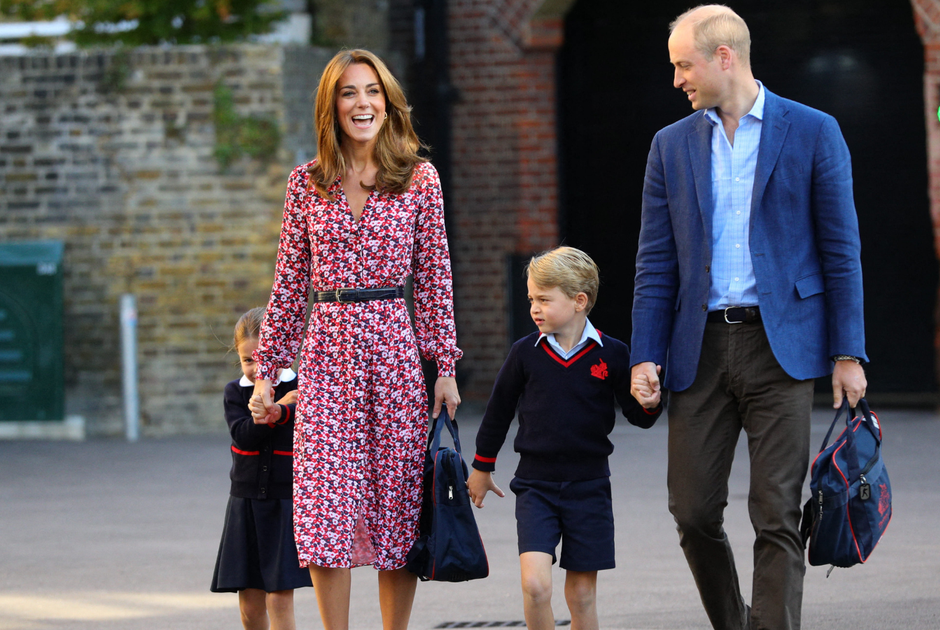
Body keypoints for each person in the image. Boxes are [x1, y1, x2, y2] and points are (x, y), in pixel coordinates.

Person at [628, 6, 869, 630]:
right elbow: (656, 264)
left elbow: (841, 251)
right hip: (697, 349)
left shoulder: (814, 131)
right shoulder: (670, 146)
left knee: (776, 512)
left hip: (779, 346)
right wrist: (644, 356)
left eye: (685, 64)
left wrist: (849, 351)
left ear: (724, 57)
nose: (678, 78)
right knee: (693, 512)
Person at [249, 49, 463, 630]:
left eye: (372, 92)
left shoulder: (419, 177)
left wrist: (443, 364)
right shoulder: (306, 183)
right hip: (327, 356)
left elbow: (436, 276)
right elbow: (290, 285)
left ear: (388, 102)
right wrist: (267, 370)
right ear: (331, 106)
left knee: (397, 511)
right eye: (349, 93)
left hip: (395, 351)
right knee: (323, 511)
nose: (362, 103)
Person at [467, 247, 662, 630]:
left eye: (543, 299)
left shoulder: (615, 354)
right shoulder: (524, 354)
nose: (534, 309)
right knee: (536, 585)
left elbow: (639, 417)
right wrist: (481, 467)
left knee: (582, 596)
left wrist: (651, 401)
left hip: (589, 487)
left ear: (579, 301)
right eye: (530, 300)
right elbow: (498, 412)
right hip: (535, 487)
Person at [211, 307, 312, 630]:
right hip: (246, 504)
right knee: (250, 604)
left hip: (285, 505)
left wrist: (280, 407)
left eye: (262, 358)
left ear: (283, 352)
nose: (256, 368)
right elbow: (243, 436)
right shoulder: (235, 393)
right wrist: (278, 409)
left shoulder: (303, 389)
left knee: (280, 598)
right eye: (247, 360)